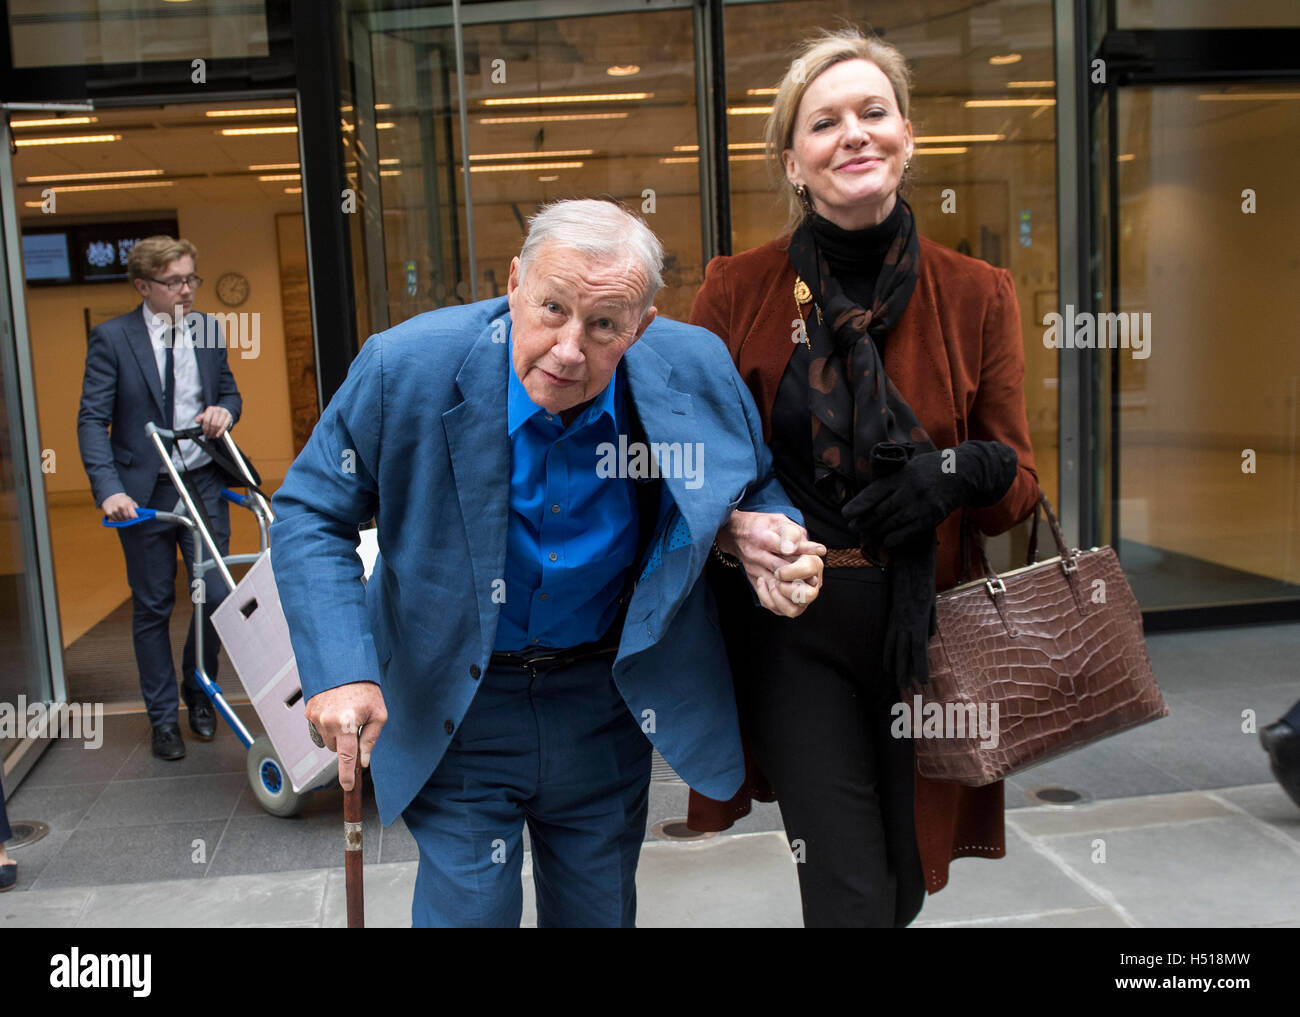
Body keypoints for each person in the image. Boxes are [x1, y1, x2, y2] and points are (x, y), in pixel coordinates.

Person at [269, 198, 826, 928]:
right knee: (469, 912)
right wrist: (342, 667)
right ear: (513, 284)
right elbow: (311, 509)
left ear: (642, 325)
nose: (569, 349)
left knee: (598, 912)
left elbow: (750, 480)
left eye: (603, 325)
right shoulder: (407, 366)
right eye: (552, 308)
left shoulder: (690, 366)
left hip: (603, 702)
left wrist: (764, 528)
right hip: (460, 706)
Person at [687, 28, 1041, 927]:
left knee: (900, 884)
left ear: (907, 137)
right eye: (825, 122)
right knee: (846, 892)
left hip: (929, 635)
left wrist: (954, 474)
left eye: (873, 112)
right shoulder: (738, 292)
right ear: (793, 162)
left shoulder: (978, 293)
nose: (854, 134)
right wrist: (736, 528)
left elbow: (1016, 491)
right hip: (793, 635)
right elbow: (689, 471)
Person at [77, 236, 242, 760]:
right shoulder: (112, 339)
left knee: (214, 594)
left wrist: (225, 413)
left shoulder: (209, 330)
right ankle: (162, 718)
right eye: (174, 283)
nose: (187, 290)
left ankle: (200, 692)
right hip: (144, 489)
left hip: (201, 480)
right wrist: (109, 490)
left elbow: (229, 393)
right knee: (153, 606)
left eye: (191, 278)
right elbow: (91, 421)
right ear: (143, 285)